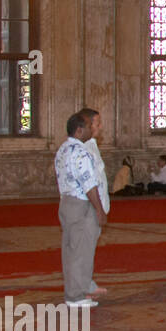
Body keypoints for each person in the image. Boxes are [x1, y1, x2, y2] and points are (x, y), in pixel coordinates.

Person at [54, 111, 108, 308]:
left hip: (67, 202)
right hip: (82, 205)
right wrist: (100, 210)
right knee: (81, 251)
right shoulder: (80, 152)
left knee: (71, 250)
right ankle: (75, 296)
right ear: (79, 130)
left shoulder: (63, 150)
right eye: (88, 126)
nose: (92, 129)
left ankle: (77, 289)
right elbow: (89, 184)